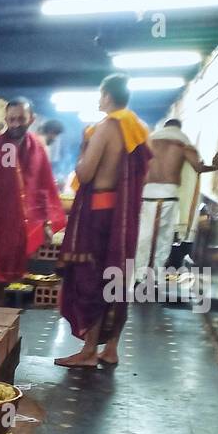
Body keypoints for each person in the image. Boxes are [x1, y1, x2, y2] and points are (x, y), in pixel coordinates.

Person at [55, 73, 153, 368]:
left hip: (98, 211)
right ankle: (110, 348)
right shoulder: (139, 129)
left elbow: (85, 174)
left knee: (90, 277)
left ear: (108, 96)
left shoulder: (106, 127)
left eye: (100, 95)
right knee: (117, 275)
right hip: (123, 214)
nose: (99, 100)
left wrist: (81, 154)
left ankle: (87, 351)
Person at [0, 98, 65, 296]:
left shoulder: (37, 149)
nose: (15, 124)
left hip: (19, 228)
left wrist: (46, 223)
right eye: (12, 119)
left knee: (5, 279)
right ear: (6, 118)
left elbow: (43, 187)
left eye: (21, 119)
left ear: (31, 119)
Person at [136, 117, 218, 285]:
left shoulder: (149, 142)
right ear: (179, 128)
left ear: (164, 127)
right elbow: (198, 167)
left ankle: (138, 275)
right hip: (168, 194)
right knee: (163, 237)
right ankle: (155, 276)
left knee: (144, 236)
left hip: (146, 193)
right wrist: (216, 166)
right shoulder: (182, 143)